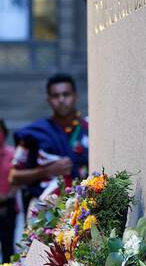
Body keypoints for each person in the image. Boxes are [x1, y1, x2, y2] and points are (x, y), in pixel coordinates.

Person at [9, 73, 89, 213]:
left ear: (75, 96)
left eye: (66, 94)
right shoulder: (33, 133)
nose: (61, 100)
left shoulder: (89, 129)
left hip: (83, 210)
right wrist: (47, 170)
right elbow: (13, 176)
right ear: (49, 100)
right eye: (56, 96)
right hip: (44, 212)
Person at [0, 119, 17, 265]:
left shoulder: (12, 153)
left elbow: (17, 178)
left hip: (8, 205)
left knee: (7, 245)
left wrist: (9, 195)